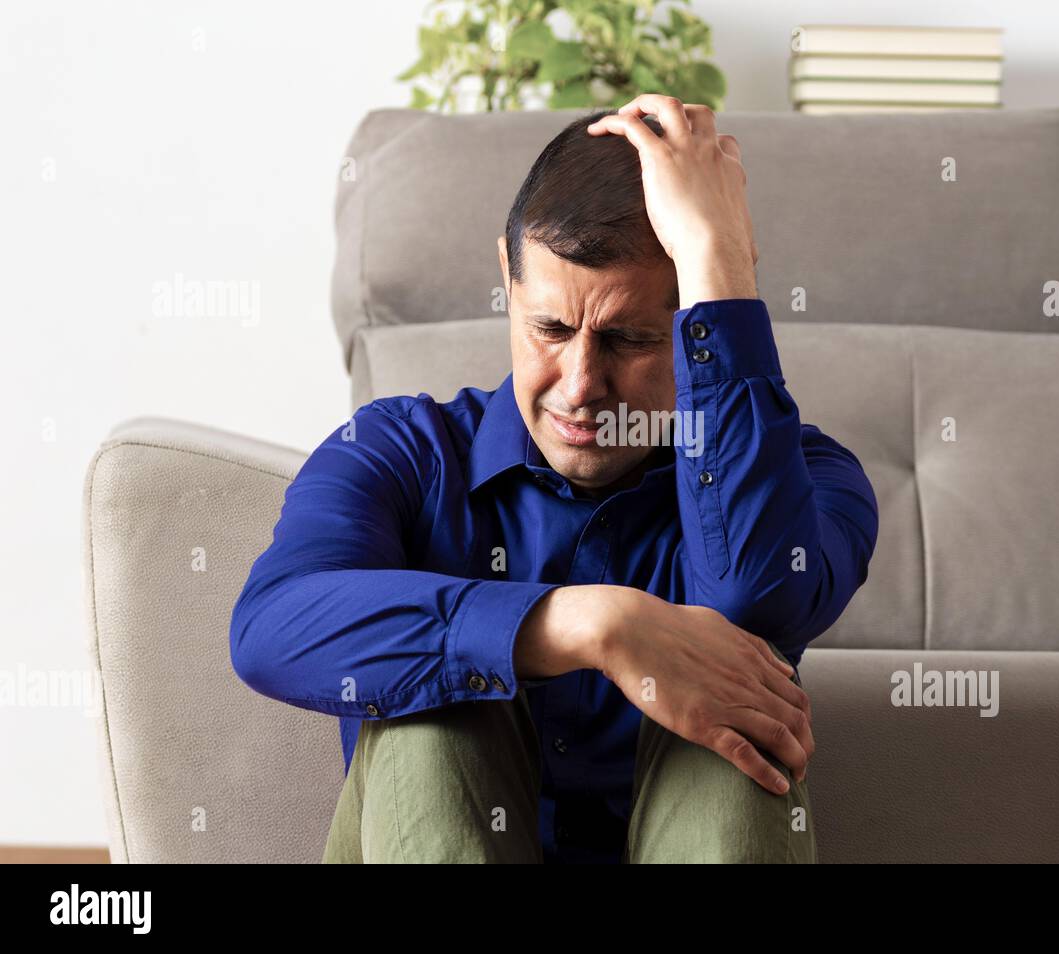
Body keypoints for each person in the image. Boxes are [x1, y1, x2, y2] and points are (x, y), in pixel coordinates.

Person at [230, 95, 879, 863]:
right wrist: (589, 626)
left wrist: (719, 258)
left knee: (724, 734)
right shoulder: (400, 450)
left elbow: (752, 594)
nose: (580, 386)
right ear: (508, 277)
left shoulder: (808, 478)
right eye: (549, 329)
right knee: (440, 706)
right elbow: (268, 629)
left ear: (692, 319)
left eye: (629, 339)